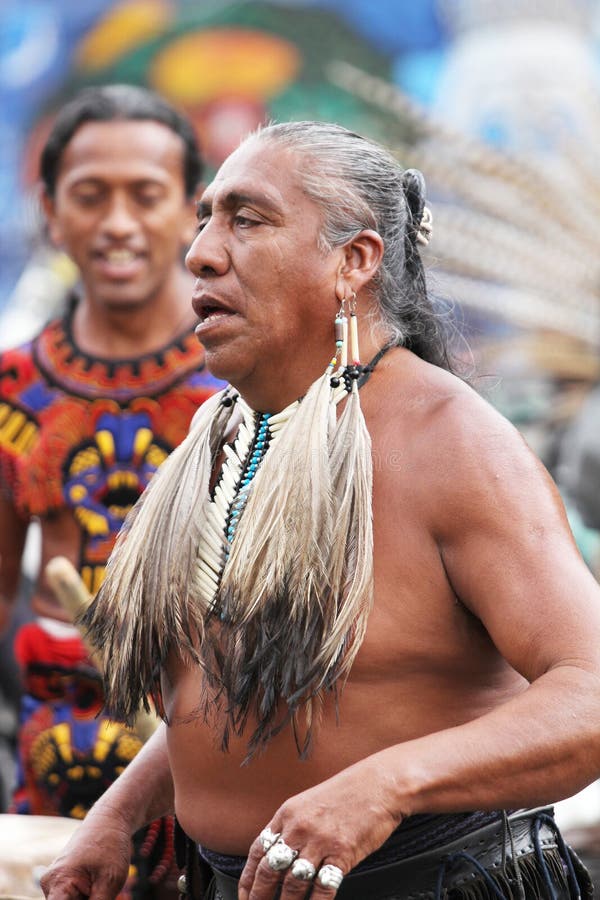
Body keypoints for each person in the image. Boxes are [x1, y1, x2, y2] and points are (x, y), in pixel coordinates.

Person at [41, 121, 600, 900]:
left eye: (246, 218)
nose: (201, 250)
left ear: (354, 261)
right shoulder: (233, 434)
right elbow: (236, 694)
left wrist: (385, 787)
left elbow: (591, 692)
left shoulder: (450, 443)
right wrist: (121, 815)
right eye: (205, 217)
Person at [0, 84, 222, 893]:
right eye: (91, 197)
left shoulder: (246, 388)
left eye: (147, 196)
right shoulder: (13, 389)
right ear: (52, 214)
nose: (119, 224)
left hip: (217, 748)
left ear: (195, 211)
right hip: (56, 755)